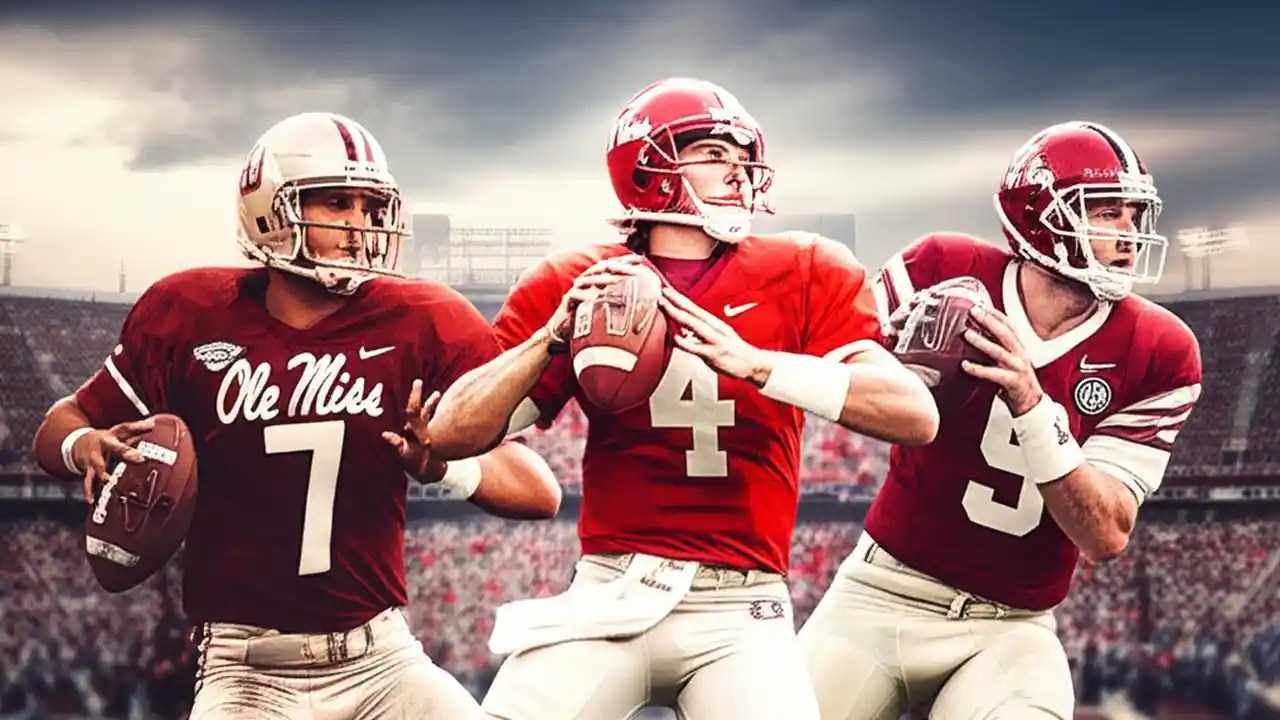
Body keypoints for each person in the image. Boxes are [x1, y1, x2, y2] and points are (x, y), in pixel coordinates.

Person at [427, 77, 939, 720]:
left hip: (743, 607)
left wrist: (761, 366)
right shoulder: (577, 281)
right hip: (612, 588)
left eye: (742, 154)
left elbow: (915, 414)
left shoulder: (808, 269)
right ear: (648, 168)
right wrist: (550, 338)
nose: (739, 170)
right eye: (714, 152)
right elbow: (450, 434)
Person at [31, 111, 561, 720]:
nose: (360, 226)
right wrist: (86, 444)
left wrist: (440, 466)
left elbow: (540, 490)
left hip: (381, 659)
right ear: (270, 212)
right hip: (247, 668)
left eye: (370, 208)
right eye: (337, 204)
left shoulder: (424, 320)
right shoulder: (189, 313)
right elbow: (59, 426)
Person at [798, 121, 1203, 719]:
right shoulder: (941, 267)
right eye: (1108, 213)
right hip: (880, 595)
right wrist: (886, 360)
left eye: (1134, 216)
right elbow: (832, 362)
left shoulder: (1159, 349)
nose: (1130, 235)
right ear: (1044, 217)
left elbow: (1106, 535)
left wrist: (1031, 403)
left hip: (1013, 627)